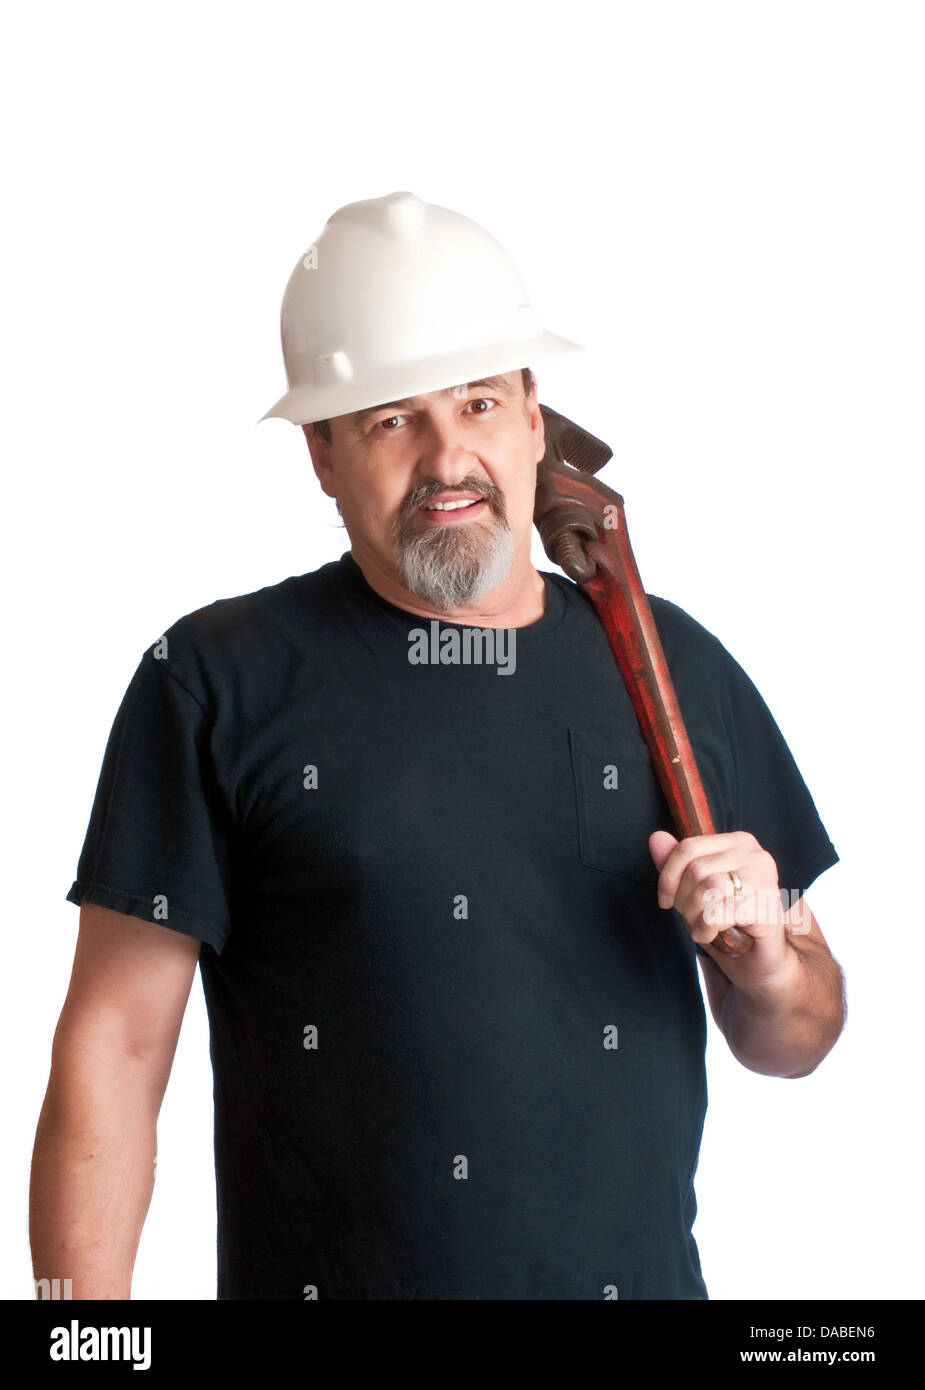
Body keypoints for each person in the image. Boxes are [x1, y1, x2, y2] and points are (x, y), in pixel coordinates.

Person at [31, 192, 845, 1301]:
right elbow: (115, 1053)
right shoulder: (216, 681)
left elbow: (797, 1033)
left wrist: (767, 960)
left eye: (476, 404)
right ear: (321, 452)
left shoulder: (667, 667)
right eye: (391, 420)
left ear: (532, 415)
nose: (447, 457)